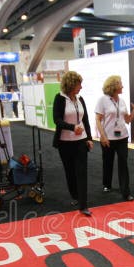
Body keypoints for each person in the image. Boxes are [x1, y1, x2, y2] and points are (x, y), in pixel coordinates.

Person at [52, 71, 93, 216]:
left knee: (82, 173)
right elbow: (56, 120)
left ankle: (83, 204)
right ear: (71, 84)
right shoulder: (60, 98)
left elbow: (85, 120)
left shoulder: (80, 99)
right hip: (64, 143)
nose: (81, 87)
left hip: (80, 141)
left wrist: (89, 138)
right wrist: (72, 127)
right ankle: (75, 196)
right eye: (79, 84)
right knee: (70, 173)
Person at [95, 75, 134, 201]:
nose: (122, 86)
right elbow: (98, 119)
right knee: (108, 161)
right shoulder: (103, 100)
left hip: (122, 137)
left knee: (123, 162)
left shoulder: (122, 100)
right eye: (120, 84)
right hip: (108, 137)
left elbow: (128, 120)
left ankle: (126, 191)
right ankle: (106, 184)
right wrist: (102, 136)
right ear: (113, 86)